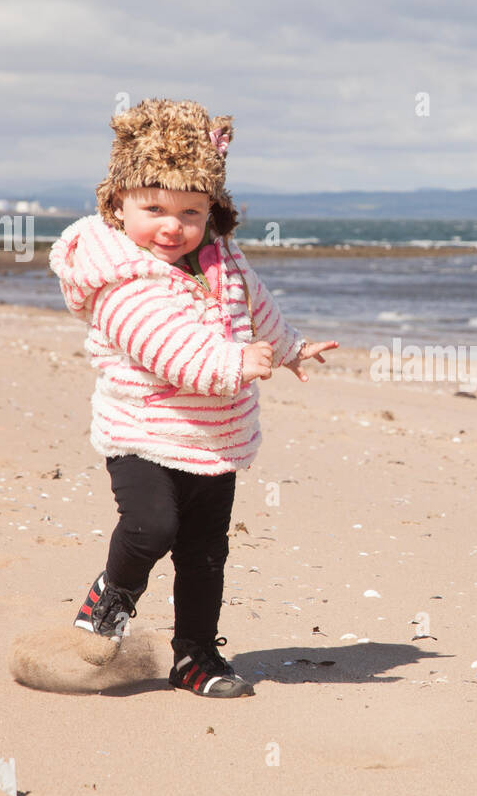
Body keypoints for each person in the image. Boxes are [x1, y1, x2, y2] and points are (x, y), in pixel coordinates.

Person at [48, 99, 337, 698]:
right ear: (116, 205)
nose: (171, 226)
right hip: (145, 433)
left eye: (190, 211)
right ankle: (113, 595)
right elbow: (167, 350)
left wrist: (288, 348)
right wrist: (237, 363)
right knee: (151, 527)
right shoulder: (119, 282)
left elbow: (258, 310)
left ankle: (195, 657)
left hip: (217, 439)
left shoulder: (223, 261)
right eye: (152, 209)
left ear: (213, 212)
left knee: (205, 555)